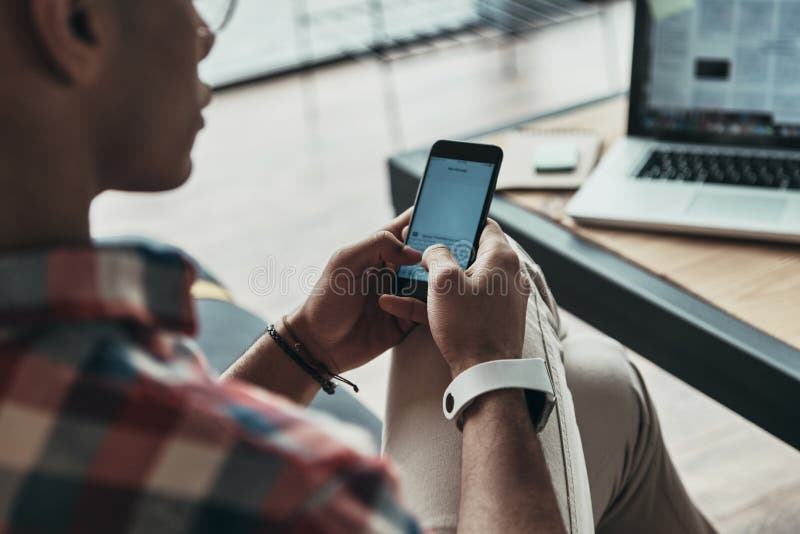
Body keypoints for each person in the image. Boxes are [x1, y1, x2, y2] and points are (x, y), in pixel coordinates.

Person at [0, 0, 716, 532]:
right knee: (506, 287)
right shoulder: (300, 495)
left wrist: (303, 344)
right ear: (76, 23)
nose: (206, 31)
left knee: (600, 387)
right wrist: (488, 371)